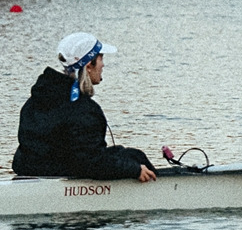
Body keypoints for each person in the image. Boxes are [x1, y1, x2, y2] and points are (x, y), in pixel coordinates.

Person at [11, 33, 156, 182]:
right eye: (101, 59)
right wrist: (134, 170)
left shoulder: (36, 99)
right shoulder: (84, 110)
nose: (103, 65)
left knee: (133, 155)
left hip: (35, 168)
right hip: (59, 175)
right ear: (88, 66)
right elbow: (92, 163)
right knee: (133, 161)